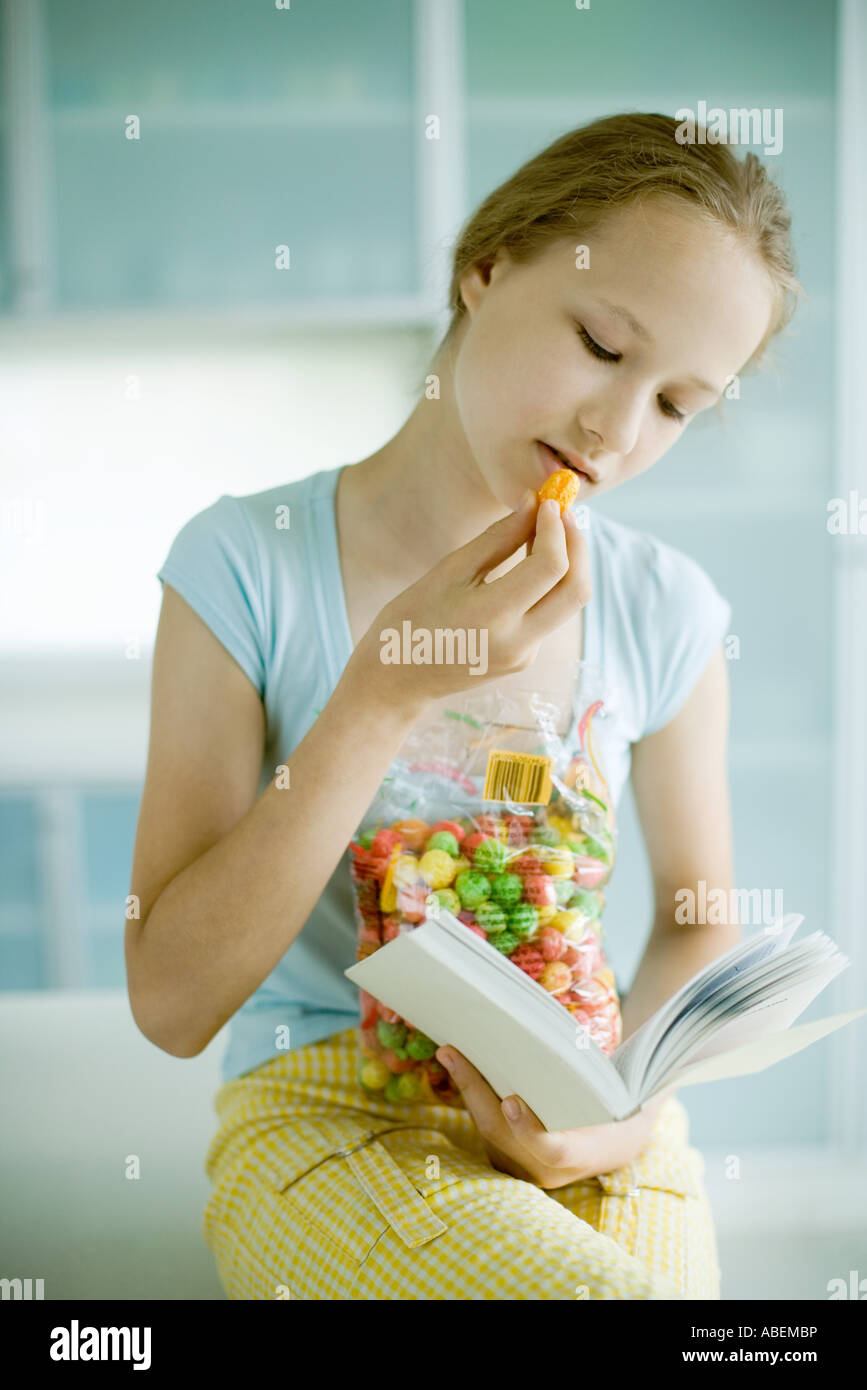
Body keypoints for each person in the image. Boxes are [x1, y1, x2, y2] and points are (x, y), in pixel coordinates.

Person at [126, 112, 801, 1300]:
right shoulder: (246, 563)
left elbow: (701, 916)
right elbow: (171, 1003)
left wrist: (620, 1109)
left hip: (598, 1113)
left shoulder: (668, 610)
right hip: (332, 1109)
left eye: (678, 406)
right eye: (600, 342)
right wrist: (383, 691)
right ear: (486, 268)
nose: (615, 430)